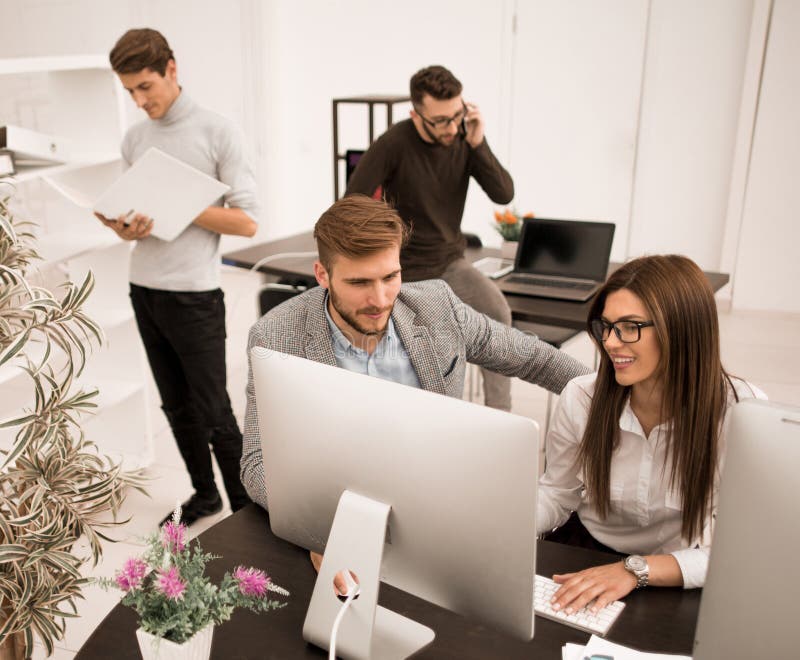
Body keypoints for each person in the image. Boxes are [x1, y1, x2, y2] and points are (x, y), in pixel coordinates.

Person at [241, 194, 590, 510]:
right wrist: (322, 524)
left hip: (437, 496)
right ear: (322, 275)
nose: (380, 300)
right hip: (338, 502)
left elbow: (534, 357)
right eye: (359, 282)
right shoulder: (274, 337)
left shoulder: (438, 306)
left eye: (390, 277)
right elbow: (257, 462)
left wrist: (612, 398)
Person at [537, 254, 766, 615]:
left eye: (629, 327)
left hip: (681, 568)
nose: (610, 343)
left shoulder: (742, 413)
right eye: (606, 327)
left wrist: (633, 570)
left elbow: (737, 549)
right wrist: (502, 521)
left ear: (681, 330)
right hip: (586, 551)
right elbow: (557, 494)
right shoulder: (582, 397)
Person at [97, 29, 257, 525]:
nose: (139, 101)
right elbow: (133, 228)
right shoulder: (135, 138)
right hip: (144, 288)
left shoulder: (218, 132)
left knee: (215, 413)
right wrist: (125, 226)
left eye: (145, 87)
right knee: (176, 407)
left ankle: (249, 518)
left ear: (171, 68)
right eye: (129, 92)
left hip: (194, 295)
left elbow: (247, 221)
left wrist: (184, 206)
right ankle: (205, 495)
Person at [345, 65, 515, 411]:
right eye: (441, 121)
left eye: (458, 115)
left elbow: (503, 193)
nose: (451, 127)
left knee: (498, 313)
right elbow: (351, 203)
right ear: (416, 113)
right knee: (421, 350)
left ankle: (500, 419)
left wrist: (479, 143)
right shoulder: (393, 143)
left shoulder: (466, 139)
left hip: (449, 263)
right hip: (402, 269)